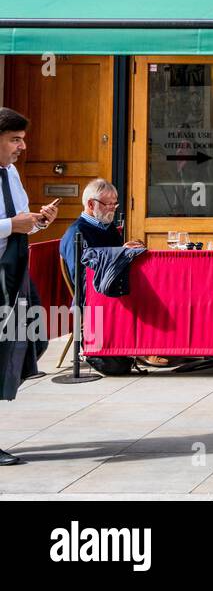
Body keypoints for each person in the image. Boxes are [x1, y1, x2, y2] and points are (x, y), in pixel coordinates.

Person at [0, 108, 57, 465]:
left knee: (33, 340)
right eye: (14, 140)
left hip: (15, 272)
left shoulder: (13, 173)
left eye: (22, 139)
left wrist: (38, 222)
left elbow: (19, 223)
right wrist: (11, 224)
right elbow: (9, 223)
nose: (22, 146)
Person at [58, 179, 144, 278]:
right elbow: (80, 281)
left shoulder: (108, 227)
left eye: (115, 204)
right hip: (95, 291)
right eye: (108, 204)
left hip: (116, 285)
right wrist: (120, 255)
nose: (113, 208)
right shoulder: (76, 233)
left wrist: (130, 252)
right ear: (91, 204)